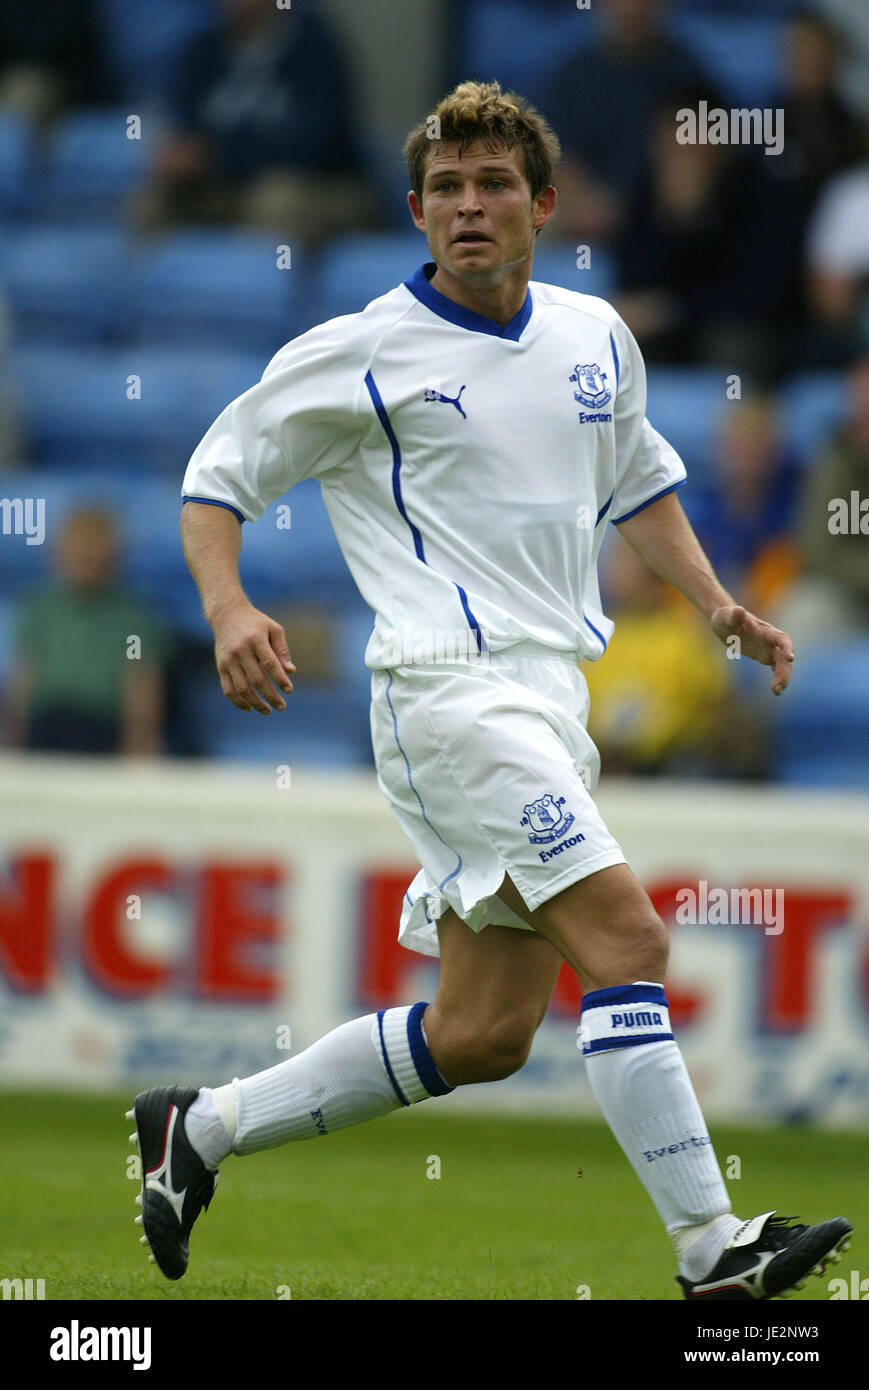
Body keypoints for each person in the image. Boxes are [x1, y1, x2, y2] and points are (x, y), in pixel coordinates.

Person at [127, 81, 851, 1300]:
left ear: (542, 204)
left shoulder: (592, 335)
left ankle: (195, 1130)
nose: (469, 206)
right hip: (444, 695)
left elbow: (638, 482)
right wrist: (228, 606)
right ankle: (710, 1248)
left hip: (549, 699)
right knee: (625, 937)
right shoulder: (362, 350)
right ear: (415, 213)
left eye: (493, 184)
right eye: (446, 189)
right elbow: (217, 475)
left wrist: (714, 602)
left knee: (481, 1035)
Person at [5, 507, 169, 756]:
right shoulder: (41, 611)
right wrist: (12, 738)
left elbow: (140, 681)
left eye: (92, 554)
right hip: (44, 725)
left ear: (112, 558)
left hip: (100, 729)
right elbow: (25, 676)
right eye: (77, 554)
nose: (84, 560)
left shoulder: (132, 622)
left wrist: (139, 741)